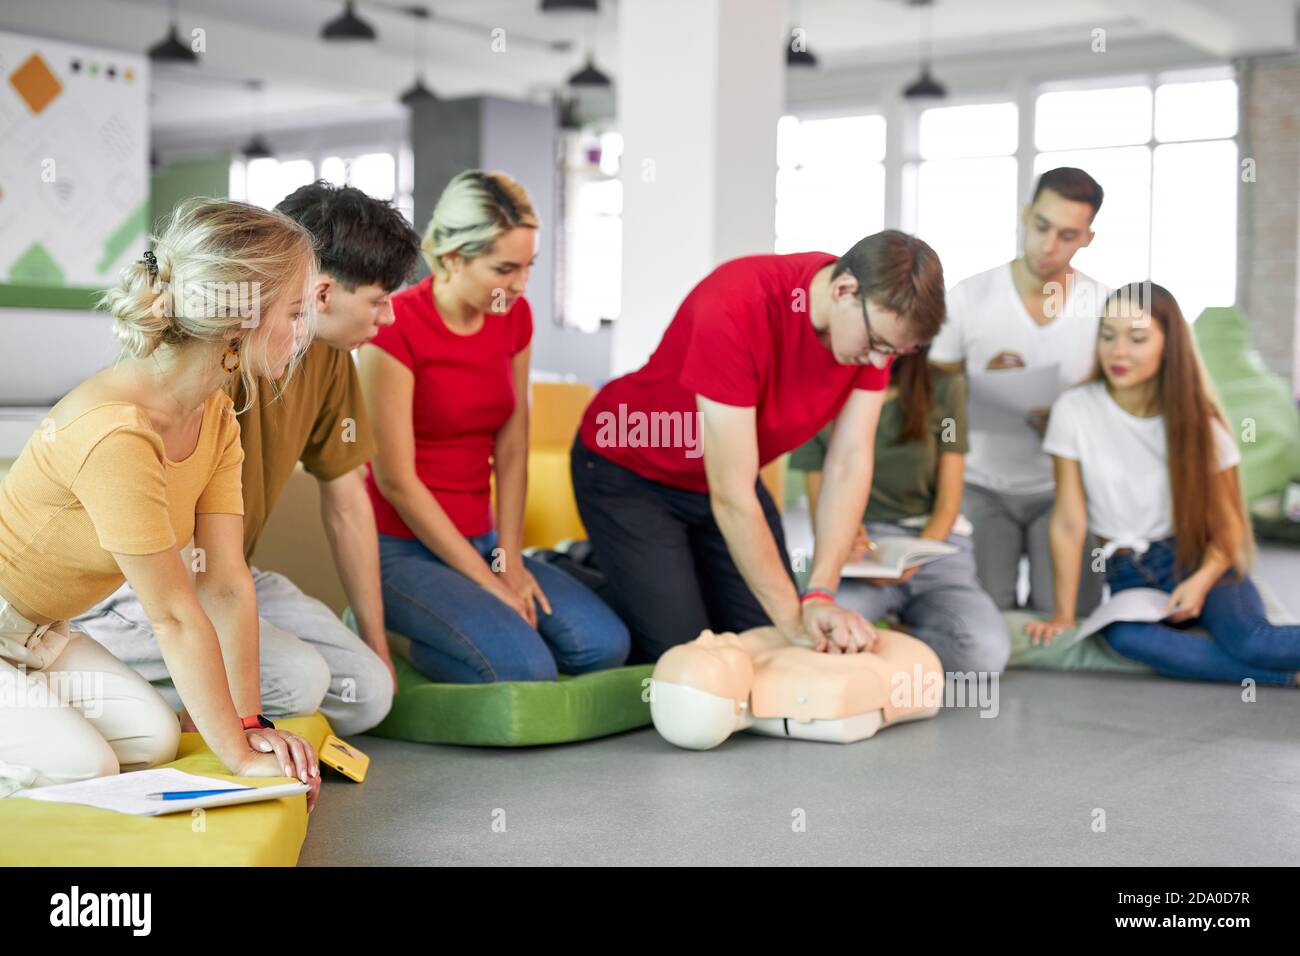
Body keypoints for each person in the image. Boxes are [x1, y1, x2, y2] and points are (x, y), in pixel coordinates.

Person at [0, 199, 320, 805]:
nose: (305, 332)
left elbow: (224, 583)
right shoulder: (116, 432)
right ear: (239, 323)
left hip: (45, 636)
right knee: (84, 767)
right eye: (296, 312)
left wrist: (249, 729)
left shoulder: (216, 413)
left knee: (153, 742)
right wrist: (240, 761)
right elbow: (173, 616)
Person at [76, 181, 421, 735]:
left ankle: (174, 697)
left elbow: (347, 503)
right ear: (321, 293)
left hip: (225, 569)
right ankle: (87, 671)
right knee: (297, 681)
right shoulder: (208, 369)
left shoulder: (326, 360)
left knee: (368, 691)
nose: (389, 318)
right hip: (142, 580)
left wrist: (375, 642)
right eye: (379, 301)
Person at [571, 230, 947, 662]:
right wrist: (794, 623)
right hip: (629, 469)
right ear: (845, 290)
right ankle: (583, 566)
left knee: (762, 641)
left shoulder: (870, 330)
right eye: (877, 345)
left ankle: (667, 572)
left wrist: (820, 593)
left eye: (894, 353)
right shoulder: (735, 304)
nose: (880, 363)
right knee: (689, 651)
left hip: (729, 481)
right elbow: (732, 497)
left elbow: (848, 461)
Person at [359, 170, 629, 682]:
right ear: (454, 256)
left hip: (483, 537)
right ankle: (400, 639)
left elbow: (512, 444)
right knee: (524, 668)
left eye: (529, 267)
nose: (520, 285)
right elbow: (395, 481)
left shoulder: (514, 316)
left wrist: (509, 559)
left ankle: (476, 622)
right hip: (401, 549)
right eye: (505, 268)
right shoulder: (395, 325)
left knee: (602, 647)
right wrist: (486, 582)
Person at [1026, 282, 1300, 686]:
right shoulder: (1075, 410)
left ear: (1169, 346)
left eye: (1136, 338)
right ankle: (1289, 678)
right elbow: (1069, 521)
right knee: (1125, 638)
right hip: (1130, 573)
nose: (1118, 351)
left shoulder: (1200, 424)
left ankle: (1270, 663)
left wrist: (1201, 582)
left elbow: (1229, 530)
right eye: (1108, 335)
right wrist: (1063, 615)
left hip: (1204, 560)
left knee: (1252, 642)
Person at [928, 167, 1109, 616]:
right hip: (981, 484)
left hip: (1063, 488)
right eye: (1041, 227)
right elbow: (933, 394)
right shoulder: (970, 296)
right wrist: (979, 386)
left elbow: (1118, 407)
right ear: (1026, 215)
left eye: (1067, 235)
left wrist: (1066, 420)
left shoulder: (1104, 307)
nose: (1049, 247)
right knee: (987, 616)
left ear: (1087, 237)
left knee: (1068, 617)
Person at [790, 354, 1008, 674]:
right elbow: (820, 507)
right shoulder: (815, 390)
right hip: (860, 551)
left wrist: (913, 558)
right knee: (817, 634)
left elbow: (948, 505)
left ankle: (883, 638)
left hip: (934, 546)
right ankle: (880, 638)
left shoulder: (945, 388)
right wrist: (849, 545)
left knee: (983, 654)